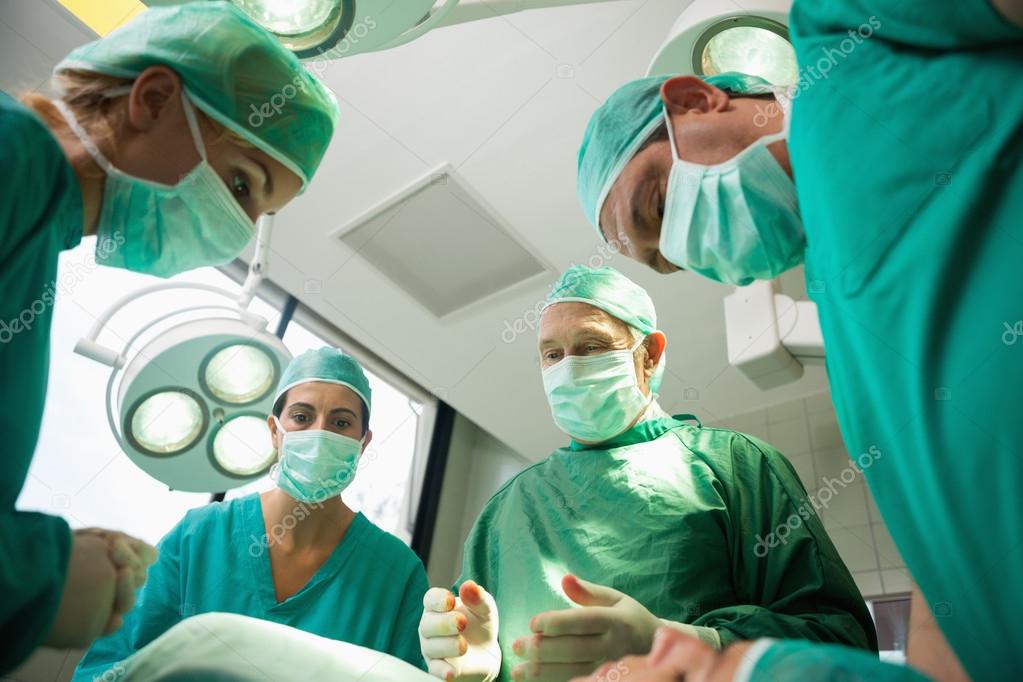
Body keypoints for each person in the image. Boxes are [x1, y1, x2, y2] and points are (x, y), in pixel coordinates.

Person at [574, 2, 1023, 679]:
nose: (683, 248)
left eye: (660, 206)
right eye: (665, 259)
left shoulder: (842, 31)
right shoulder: (853, 358)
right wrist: (740, 669)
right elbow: (946, 588)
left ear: (696, 99)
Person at [0, 1, 338, 672]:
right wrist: (39, 576)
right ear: (153, 100)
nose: (238, 230)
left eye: (259, 212)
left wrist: (58, 559)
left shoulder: (35, 222)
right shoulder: (15, 160)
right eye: (241, 183)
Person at [418, 265, 876, 682]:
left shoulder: (735, 465)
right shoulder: (505, 511)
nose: (568, 369)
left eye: (591, 346)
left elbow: (841, 645)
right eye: (552, 355)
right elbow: (463, 636)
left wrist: (682, 646)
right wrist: (476, 668)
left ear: (650, 355)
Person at [73, 347, 430, 680]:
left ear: (363, 443)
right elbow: (109, 666)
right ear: (275, 431)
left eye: (340, 423)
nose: (319, 433)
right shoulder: (201, 535)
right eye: (302, 417)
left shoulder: (397, 574)